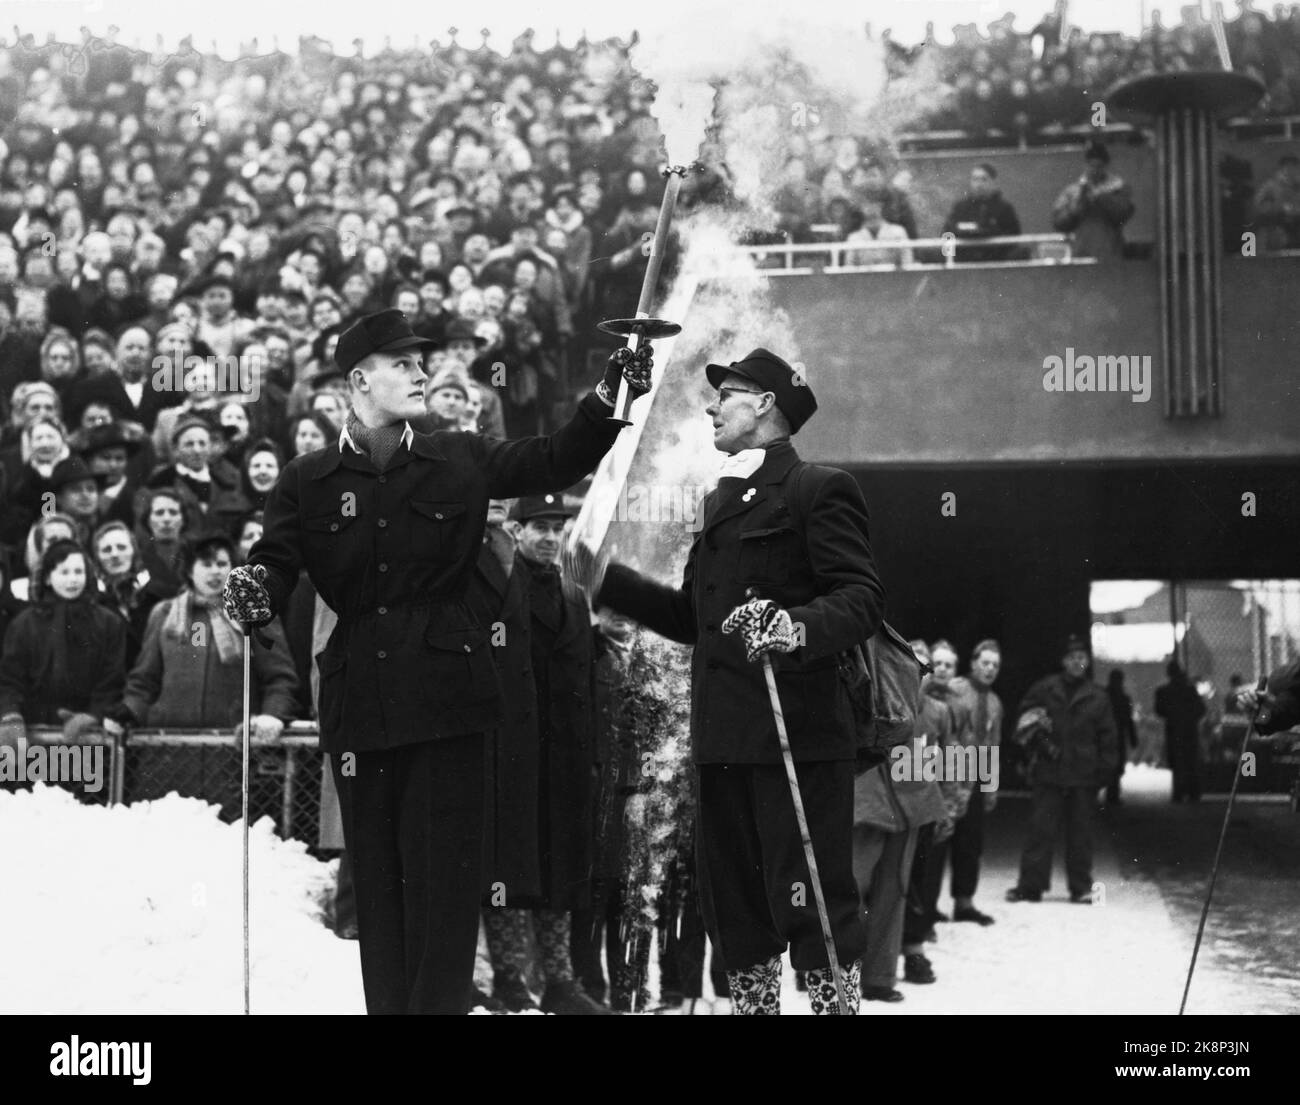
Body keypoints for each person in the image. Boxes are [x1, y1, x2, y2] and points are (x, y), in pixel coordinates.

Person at [220, 308, 652, 1015]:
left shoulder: (460, 454)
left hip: (452, 703)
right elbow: (275, 565)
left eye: (423, 362)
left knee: (447, 892)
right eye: (403, 363)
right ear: (359, 380)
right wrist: (252, 592)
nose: (422, 372)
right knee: (383, 896)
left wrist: (612, 395)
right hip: (361, 707)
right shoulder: (307, 478)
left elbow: (554, 455)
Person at [590, 347, 886, 1015]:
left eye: (727, 394)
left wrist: (793, 625)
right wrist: (605, 579)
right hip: (722, 742)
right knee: (738, 910)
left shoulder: (818, 487)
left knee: (814, 901)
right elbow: (693, 617)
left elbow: (862, 596)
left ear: (765, 404)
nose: (711, 405)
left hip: (797, 741)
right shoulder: (720, 499)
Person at [1006, 634, 1118, 904]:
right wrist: (1042, 743)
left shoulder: (1098, 697)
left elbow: (1109, 737)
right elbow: (1025, 719)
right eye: (1072, 658)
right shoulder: (1045, 689)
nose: (1077, 662)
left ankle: (1080, 888)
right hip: (1050, 769)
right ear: (1063, 661)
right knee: (1040, 829)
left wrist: (1105, 772)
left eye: (1081, 658)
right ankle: (1030, 886)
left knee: (1081, 833)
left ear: (1088, 662)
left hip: (1084, 773)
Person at [0, 538, 126, 745]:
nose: (73, 580)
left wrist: (94, 714)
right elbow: (10, 680)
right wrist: (11, 715)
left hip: (87, 737)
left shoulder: (108, 622)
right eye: (64, 572)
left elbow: (112, 679)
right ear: (48, 578)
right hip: (35, 732)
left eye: (78, 572)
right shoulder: (24, 624)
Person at [945, 638, 1004, 924]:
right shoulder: (954, 689)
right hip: (950, 775)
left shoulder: (994, 702)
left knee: (971, 844)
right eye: (985, 663)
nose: (990, 669)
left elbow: (994, 745)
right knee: (938, 842)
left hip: (977, 780)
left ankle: (964, 903)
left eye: (995, 665)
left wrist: (991, 787)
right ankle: (925, 908)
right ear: (973, 664)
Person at [1051, 140, 1135, 261]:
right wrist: (1078, 204)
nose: (1094, 170)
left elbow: (1122, 214)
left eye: (1099, 166)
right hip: (1081, 255)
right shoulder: (1073, 191)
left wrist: (1100, 197)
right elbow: (1059, 223)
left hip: (1110, 256)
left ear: (1106, 167)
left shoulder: (1119, 189)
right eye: (1091, 165)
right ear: (1085, 165)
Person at [942, 163, 1022, 262]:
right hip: (963, 261)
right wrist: (949, 261)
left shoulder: (1004, 208)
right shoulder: (960, 207)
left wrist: (990, 232)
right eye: (975, 179)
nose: (979, 184)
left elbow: (1014, 238)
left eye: (984, 179)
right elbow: (947, 233)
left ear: (993, 182)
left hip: (995, 261)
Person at [1154, 659, 1206, 803]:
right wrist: (1190, 717)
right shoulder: (1190, 690)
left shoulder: (1163, 691)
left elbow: (1159, 710)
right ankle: (1193, 793)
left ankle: (1178, 793)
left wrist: (1173, 715)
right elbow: (1201, 709)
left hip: (1173, 730)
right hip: (1189, 730)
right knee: (1191, 761)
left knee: (1177, 763)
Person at [1105, 669, 1139, 805]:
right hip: (1118, 735)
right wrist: (1132, 737)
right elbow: (1128, 720)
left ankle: (1110, 792)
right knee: (1117, 764)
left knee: (1109, 763)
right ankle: (1113, 793)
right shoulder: (1124, 699)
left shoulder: (1103, 697)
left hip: (1106, 735)